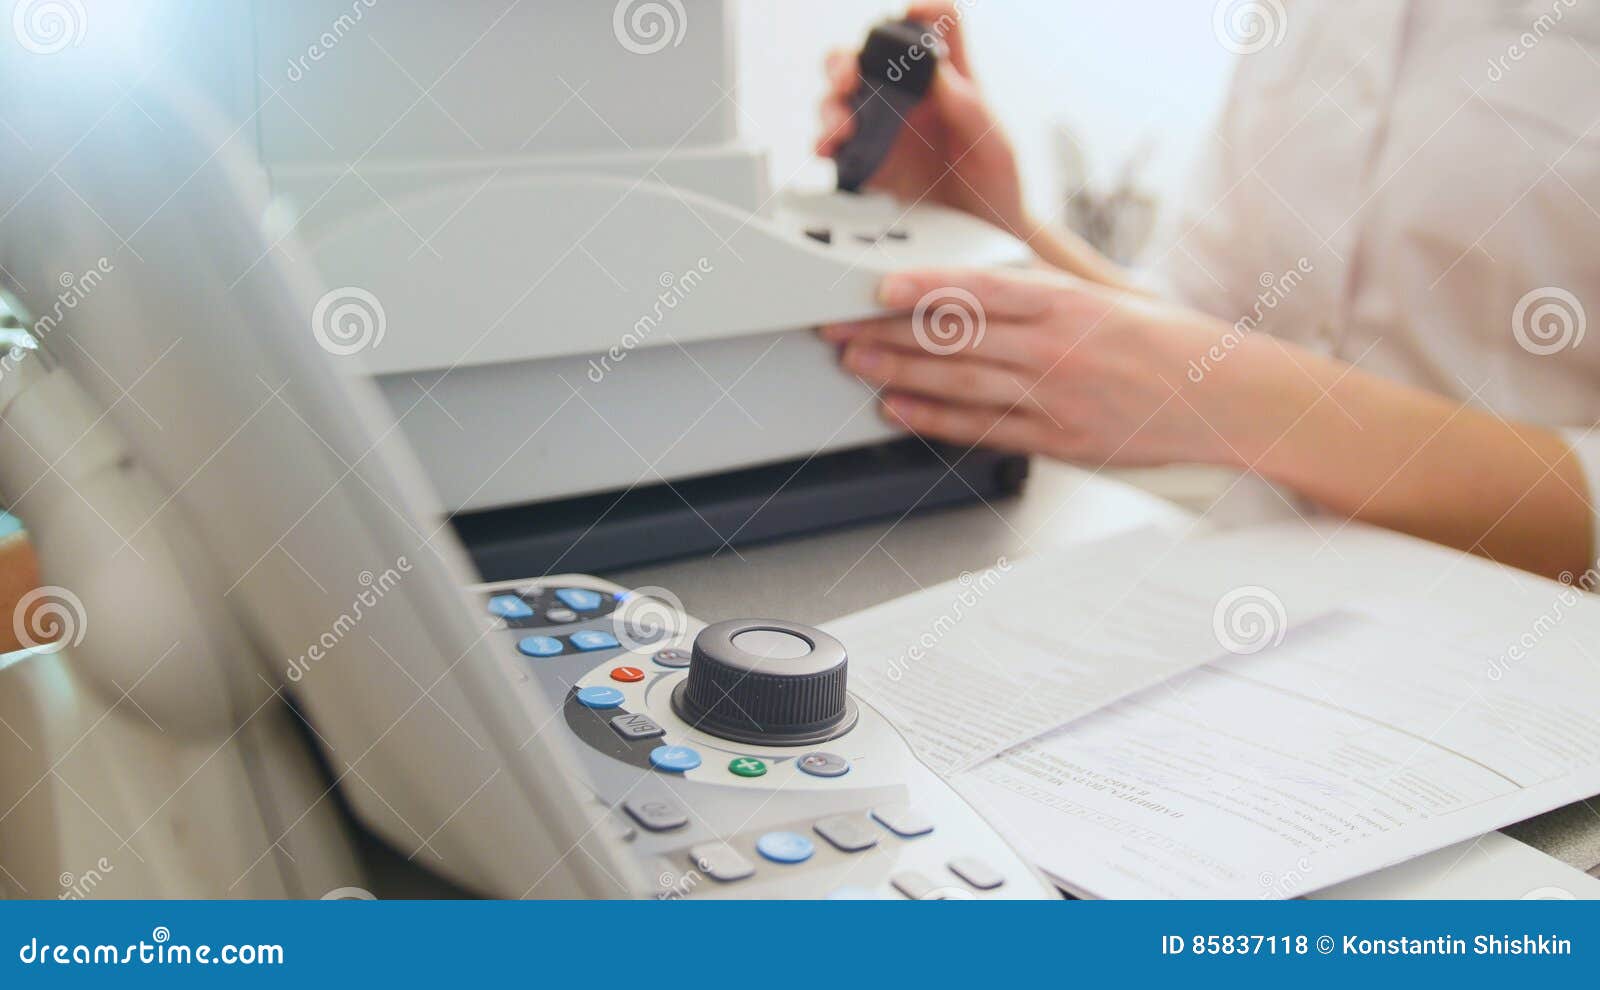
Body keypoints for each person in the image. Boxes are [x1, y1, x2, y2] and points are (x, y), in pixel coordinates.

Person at [817, 1, 1600, 581]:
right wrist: (1002, 225)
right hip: (1262, 614)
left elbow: (1213, 379)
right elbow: (1203, 327)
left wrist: (1236, 401)